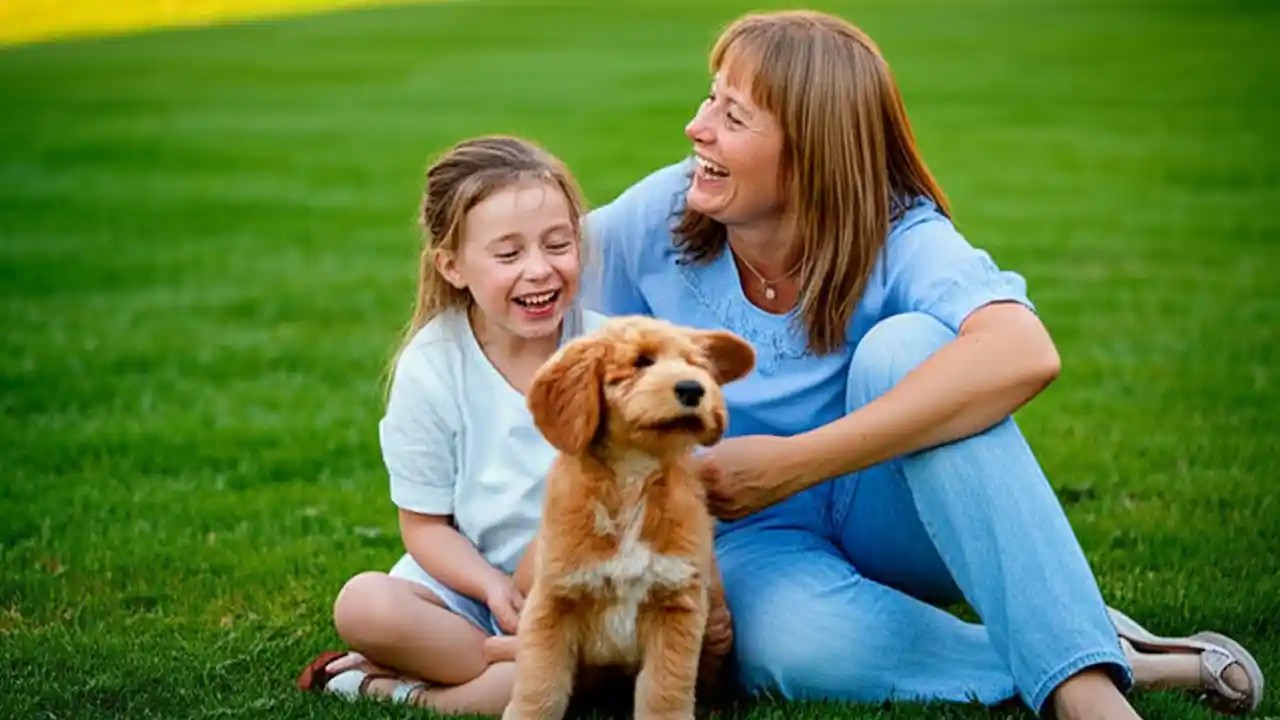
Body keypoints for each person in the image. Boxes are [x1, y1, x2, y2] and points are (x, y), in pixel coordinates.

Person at [582, 10, 1263, 719]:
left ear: (812, 151)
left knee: (908, 346)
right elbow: (532, 281)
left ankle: (1086, 694)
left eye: (734, 115)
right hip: (756, 539)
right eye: (709, 98)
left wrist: (793, 463)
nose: (698, 127)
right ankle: (1091, 646)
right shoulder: (662, 215)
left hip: (899, 508)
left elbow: (1024, 351)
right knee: (805, 651)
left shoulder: (898, 231)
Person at [295, 135, 734, 715]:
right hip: (474, 584)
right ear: (452, 266)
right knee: (363, 604)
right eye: (509, 255)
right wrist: (489, 588)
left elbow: (673, 484)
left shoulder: (613, 348)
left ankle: (394, 687)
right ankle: (508, 661)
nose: (539, 270)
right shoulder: (432, 366)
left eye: (559, 244)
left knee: (530, 681)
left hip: (592, 590)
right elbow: (424, 527)